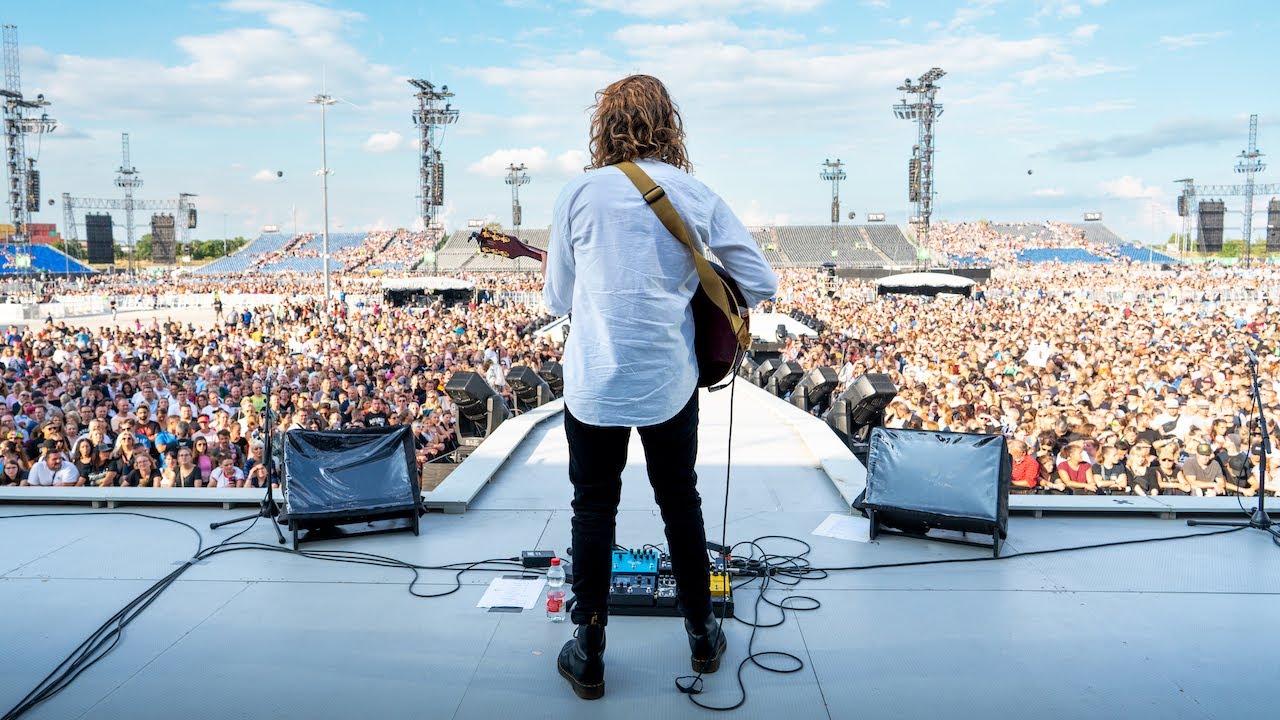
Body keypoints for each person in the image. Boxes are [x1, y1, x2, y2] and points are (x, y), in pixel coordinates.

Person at [542, 74, 777, 700]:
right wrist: (690, 283)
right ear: (670, 125)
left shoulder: (577, 193)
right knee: (679, 501)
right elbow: (761, 281)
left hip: (594, 382)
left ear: (603, 126)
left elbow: (558, 298)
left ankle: (589, 651)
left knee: (593, 507)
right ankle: (701, 634)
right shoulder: (694, 194)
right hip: (669, 381)